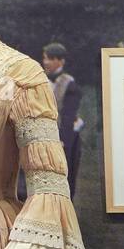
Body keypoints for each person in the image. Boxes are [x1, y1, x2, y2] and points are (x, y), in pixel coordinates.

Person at [40, 42, 85, 197]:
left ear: (60, 61)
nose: (46, 62)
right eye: (45, 58)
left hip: (66, 136)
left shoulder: (68, 83)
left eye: (50, 59)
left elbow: (68, 115)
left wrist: (62, 140)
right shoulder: (41, 80)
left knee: (65, 174)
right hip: (45, 134)